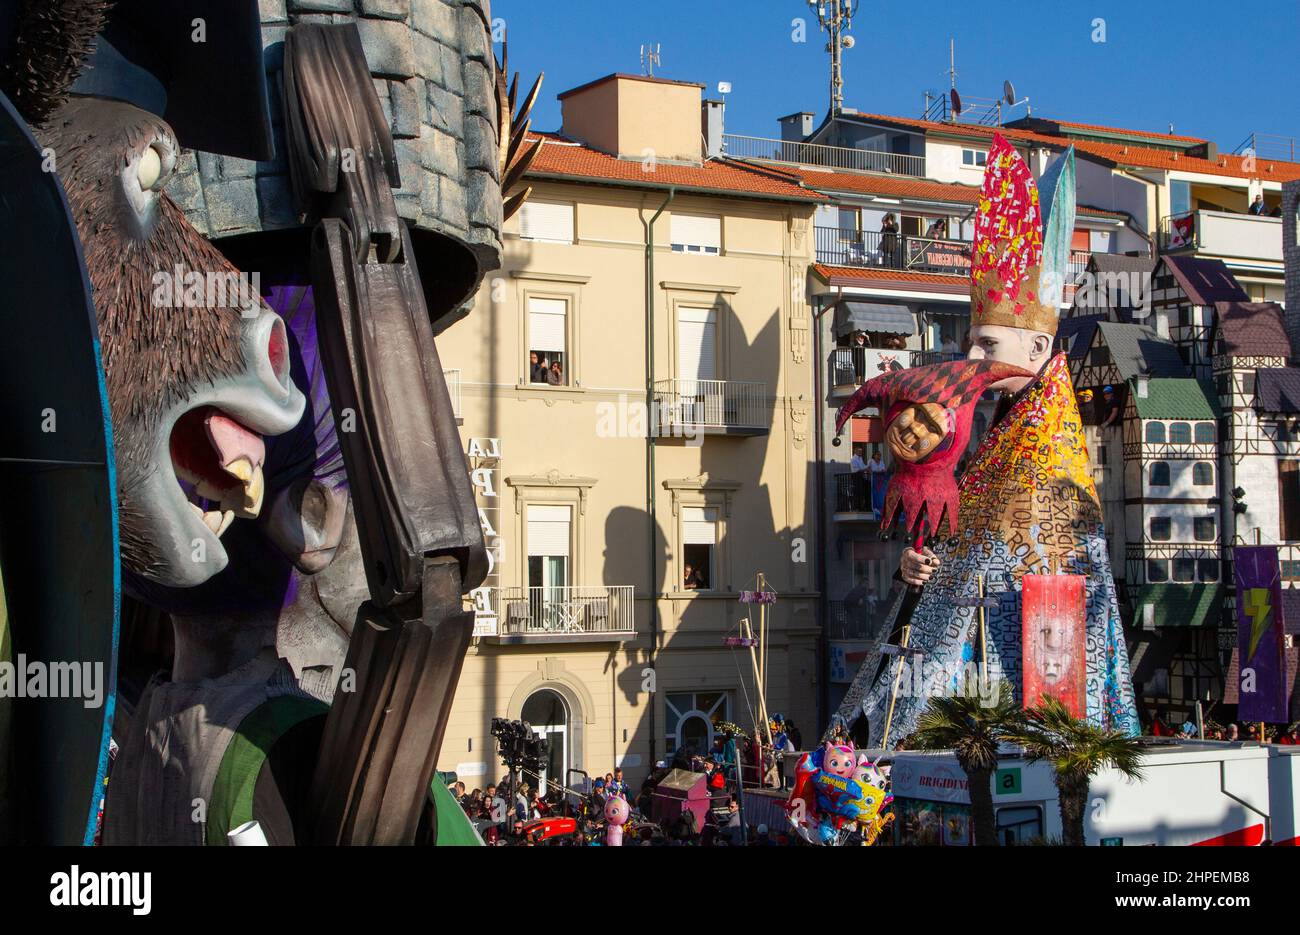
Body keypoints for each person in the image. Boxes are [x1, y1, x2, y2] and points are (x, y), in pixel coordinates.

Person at [853, 138, 1138, 746]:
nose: (972, 357)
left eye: (987, 344)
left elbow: (1016, 566)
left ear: (1038, 350)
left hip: (1027, 700)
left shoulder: (1043, 448)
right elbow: (967, 549)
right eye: (972, 342)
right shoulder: (996, 430)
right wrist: (914, 568)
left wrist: (943, 570)